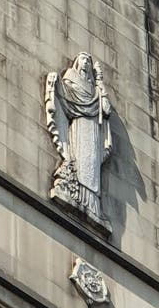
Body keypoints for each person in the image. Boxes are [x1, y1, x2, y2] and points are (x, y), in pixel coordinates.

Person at [45, 52, 113, 231]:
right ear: (77, 62)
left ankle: (93, 206)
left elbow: (106, 109)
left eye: (89, 60)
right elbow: (66, 96)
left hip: (93, 131)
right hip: (79, 126)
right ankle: (74, 194)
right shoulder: (70, 77)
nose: (86, 62)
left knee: (92, 170)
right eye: (83, 59)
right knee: (80, 164)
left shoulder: (95, 90)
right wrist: (55, 82)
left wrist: (100, 81)